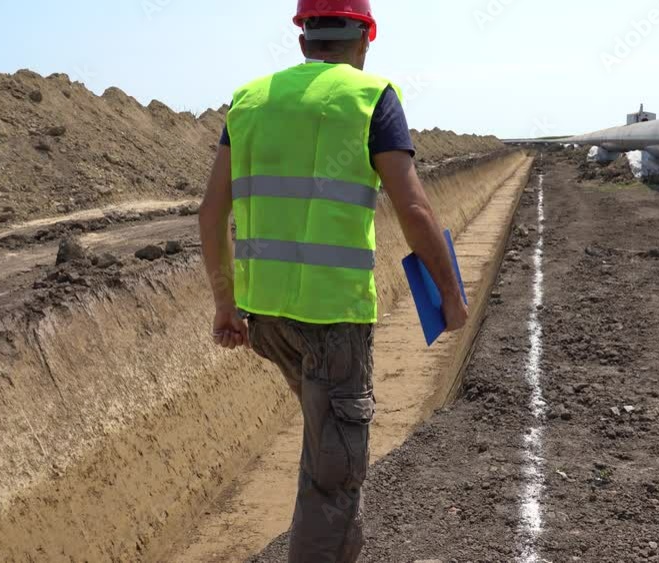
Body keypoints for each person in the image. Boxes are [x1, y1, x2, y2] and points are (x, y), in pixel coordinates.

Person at [197, 1, 469, 561]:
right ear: (364, 38)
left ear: (302, 38)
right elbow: (413, 210)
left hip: (267, 320)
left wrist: (226, 305)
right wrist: (449, 292)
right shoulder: (370, 96)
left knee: (326, 448)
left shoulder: (248, 101)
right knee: (333, 481)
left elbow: (210, 213)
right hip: (335, 324)